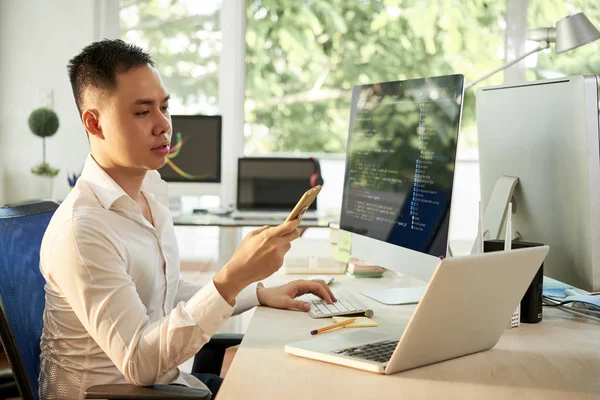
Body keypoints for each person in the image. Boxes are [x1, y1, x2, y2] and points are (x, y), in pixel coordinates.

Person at [38, 39, 335, 400]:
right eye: (142, 112)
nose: (164, 125)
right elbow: (139, 363)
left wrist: (257, 292)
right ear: (94, 123)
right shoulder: (81, 229)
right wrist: (232, 276)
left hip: (169, 387)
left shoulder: (149, 191)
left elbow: (164, 291)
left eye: (164, 107)